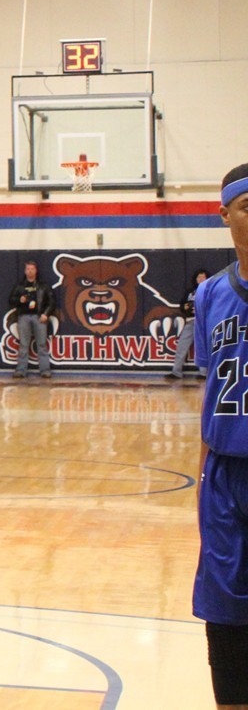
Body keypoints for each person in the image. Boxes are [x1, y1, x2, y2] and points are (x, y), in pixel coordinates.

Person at [193, 163, 248, 710]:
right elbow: (210, 391)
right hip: (227, 473)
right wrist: (202, 473)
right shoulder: (210, 296)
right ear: (225, 215)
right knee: (224, 604)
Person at [9, 260, 54, 379]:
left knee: (42, 344)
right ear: (25, 271)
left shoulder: (43, 286)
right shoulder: (20, 286)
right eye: (28, 269)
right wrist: (20, 300)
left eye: (32, 269)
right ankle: (21, 370)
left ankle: (45, 370)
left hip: (39, 317)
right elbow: (10, 300)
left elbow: (51, 301)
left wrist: (46, 314)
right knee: (23, 344)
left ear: (36, 270)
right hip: (23, 317)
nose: (30, 271)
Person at [170, 268, 212, 379]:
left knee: (202, 347)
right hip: (190, 321)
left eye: (203, 277)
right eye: (199, 277)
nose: (201, 279)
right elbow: (183, 305)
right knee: (182, 346)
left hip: (203, 322)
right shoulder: (190, 292)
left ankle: (204, 373)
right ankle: (176, 371)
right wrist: (186, 307)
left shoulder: (210, 290)